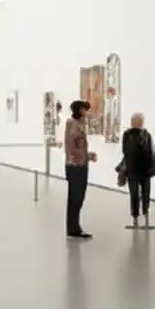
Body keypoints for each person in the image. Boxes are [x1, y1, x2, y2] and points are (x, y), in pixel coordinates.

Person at [119, 112, 155, 230]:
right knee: (139, 194)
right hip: (139, 170)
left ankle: (140, 219)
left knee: (140, 194)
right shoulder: (138, 135)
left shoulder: (137, 135)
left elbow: (126, 152)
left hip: (139, 170)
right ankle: (140, 219)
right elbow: (150, 152)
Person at [64, 100, 97, 239]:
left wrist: (88, 156)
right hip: (75, 166)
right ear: (79, 110)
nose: (86, 112)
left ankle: (74, 227)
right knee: (75, 198)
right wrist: (79, 158)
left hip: (81, 164)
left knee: (79, 197)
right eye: (84, 109)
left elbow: (80, 146)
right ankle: (73, 228)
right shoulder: (72, 123)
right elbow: (71, 146)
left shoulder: (81, 123)